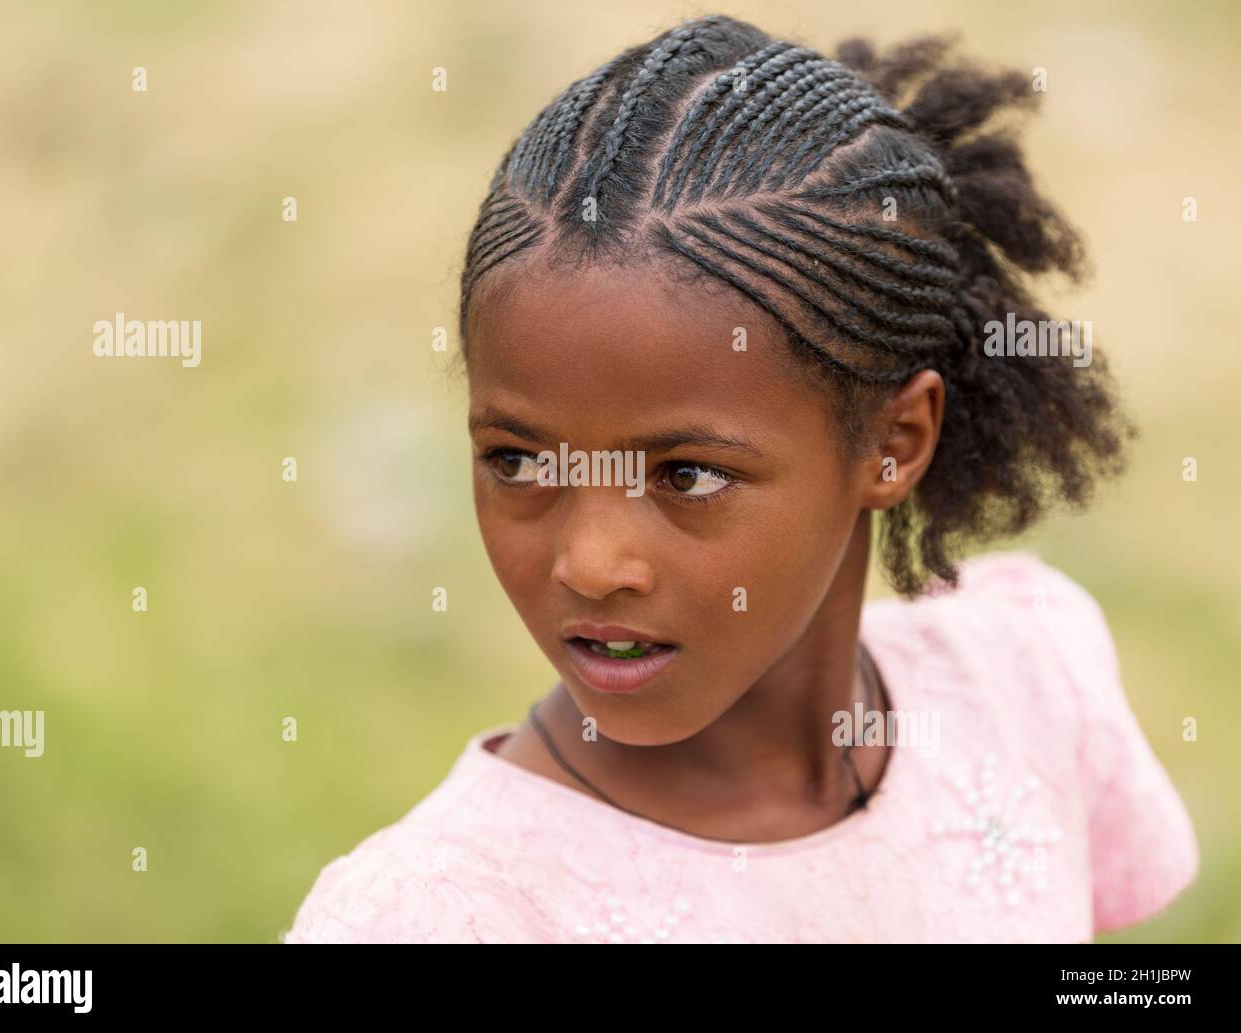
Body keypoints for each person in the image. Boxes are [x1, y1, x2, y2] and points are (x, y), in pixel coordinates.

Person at [285, 14, 1197, 943]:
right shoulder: (435, 914)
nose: (591, 563)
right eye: (519, 460)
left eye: (687, 473)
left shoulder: (1020, 683)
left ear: (895, 441)